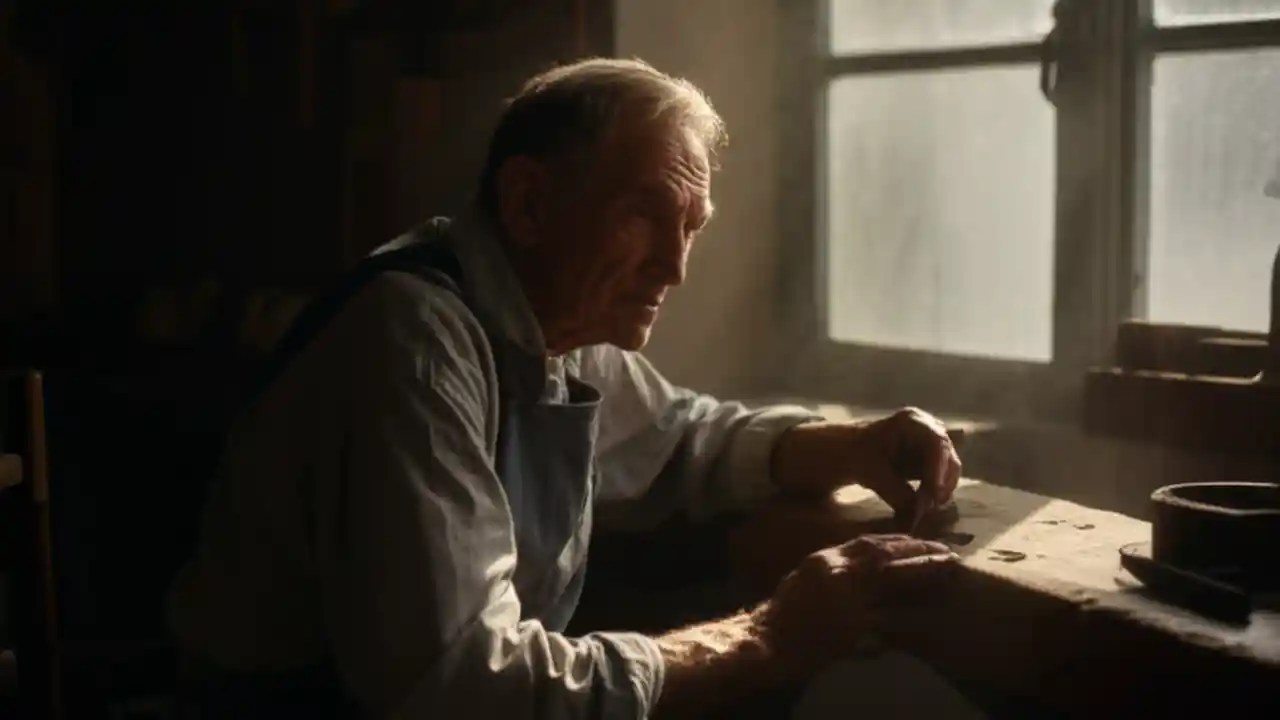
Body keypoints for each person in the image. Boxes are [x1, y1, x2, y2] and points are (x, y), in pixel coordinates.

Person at [167, 57, 963, 718]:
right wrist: (764, 638)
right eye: (646, 216)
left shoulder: (557, 326)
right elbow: (458, 683)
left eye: (691, 228)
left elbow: (681, 437)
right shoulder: (414, 341)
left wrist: (849, 445)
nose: (675, 267)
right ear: (530, 203)